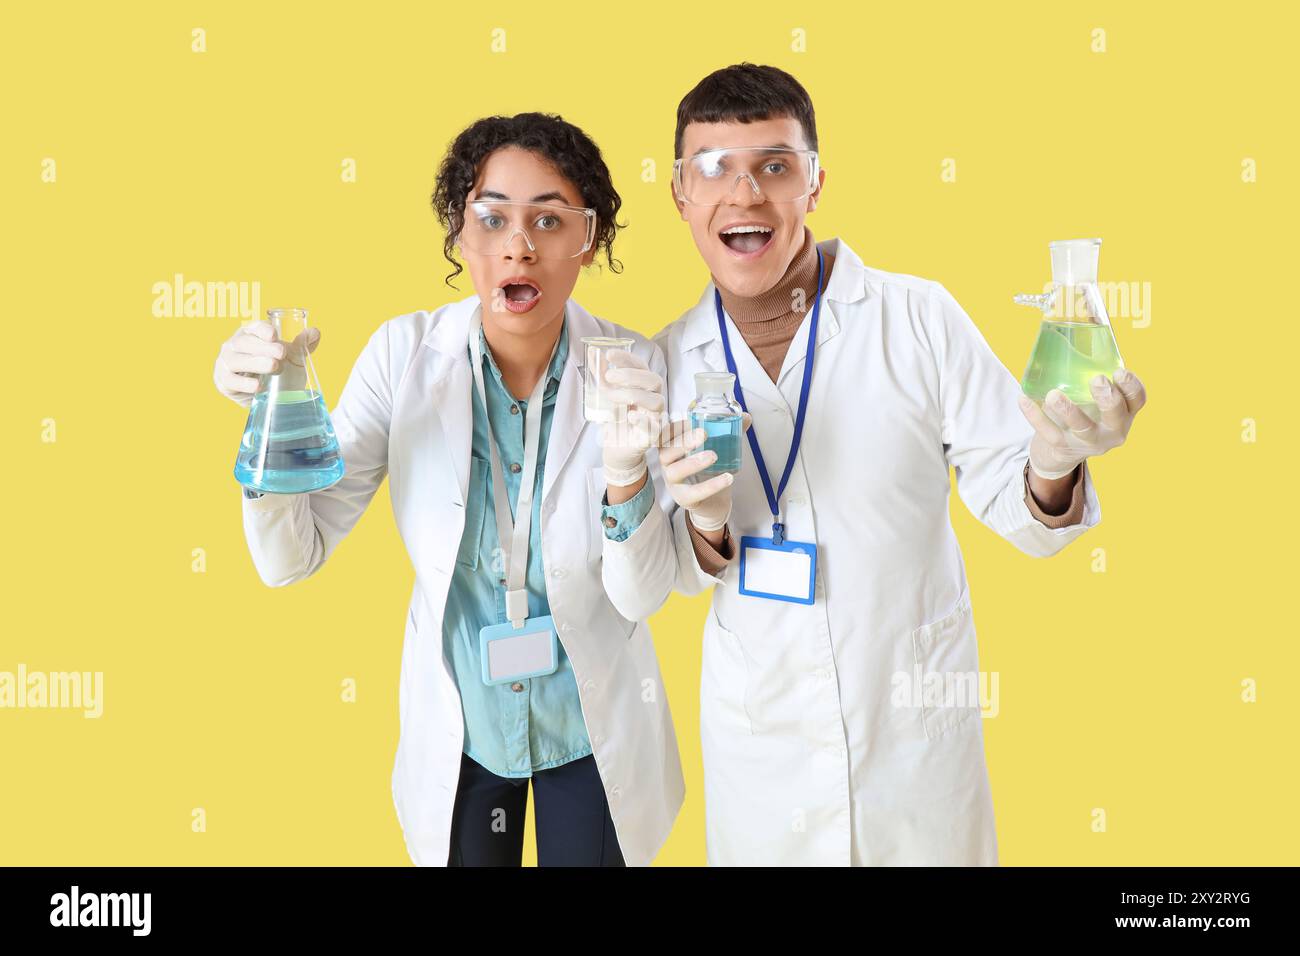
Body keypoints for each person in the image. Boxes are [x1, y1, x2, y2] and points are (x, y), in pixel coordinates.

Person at [600, 64, 1148, 865]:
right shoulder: (664, 363)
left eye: (775, 166)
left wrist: (1054, 460)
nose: (745, 193)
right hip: (765, 757)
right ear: (680, 193)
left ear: (815, 183)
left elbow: (1017, 499)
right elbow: (656, 582)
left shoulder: (917, 317)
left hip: (914, 747)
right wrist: (705, 529)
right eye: (714, 167)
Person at [212, 113, 683, 867]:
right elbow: (289, 559)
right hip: (465, 725)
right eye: (491, 217)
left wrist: (627, 472)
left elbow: (642, 594)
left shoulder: (634, 366)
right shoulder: (402, 358)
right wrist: (267, 423)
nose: (518, 245)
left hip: (592, 724)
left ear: (587, 240)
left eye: (549, 220)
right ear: (459, 235)